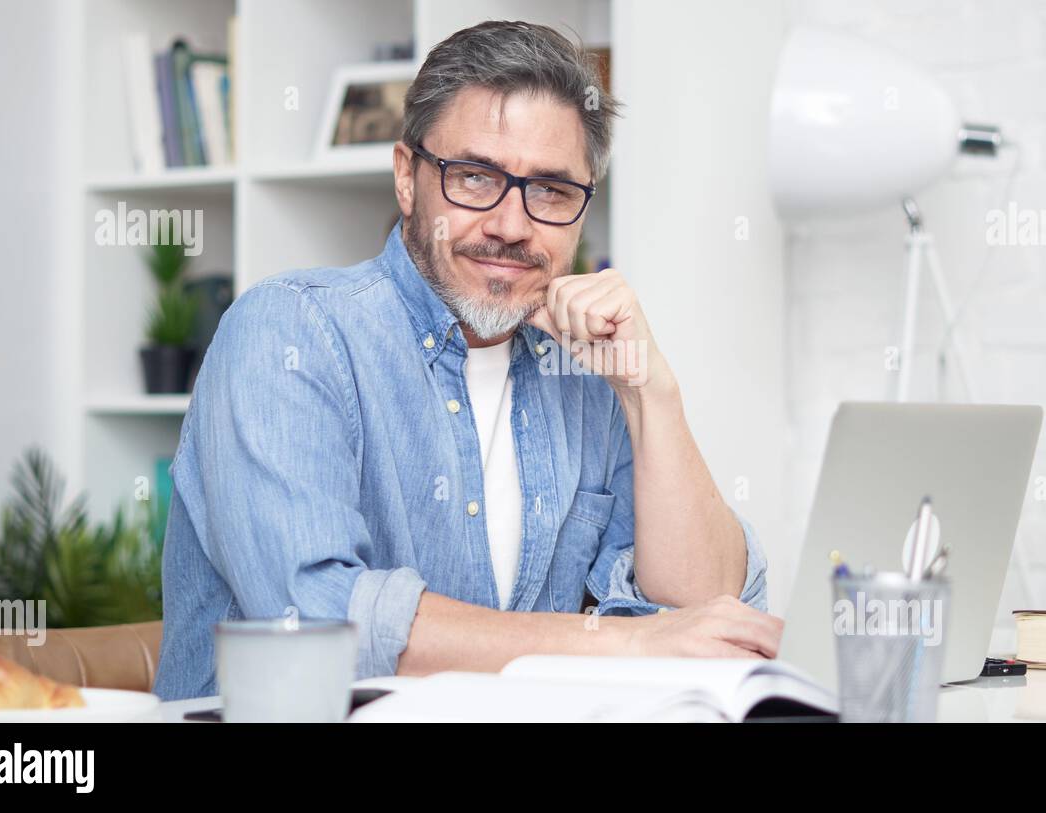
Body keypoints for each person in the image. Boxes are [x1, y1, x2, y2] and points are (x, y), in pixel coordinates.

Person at [154, 20, 780, 701]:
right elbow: (317, 617)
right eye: (475, 177)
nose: (512, 225)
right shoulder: (290, 334)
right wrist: (618, 639)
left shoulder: (585, 377)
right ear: (406, 177)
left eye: (550, 190)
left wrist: (648, 389)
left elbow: (710, 614)